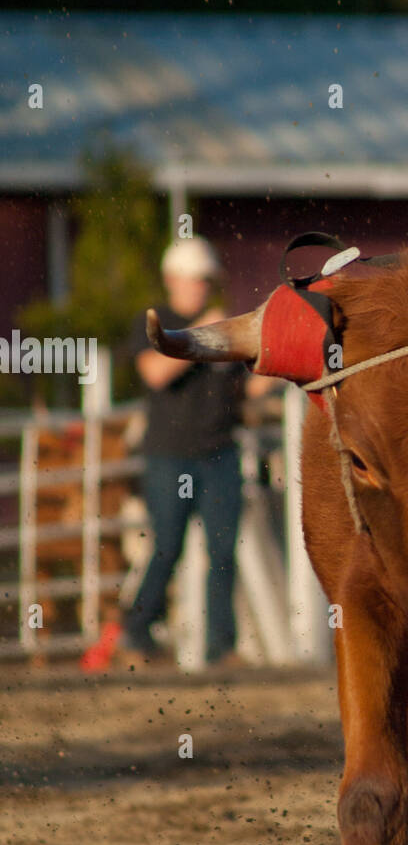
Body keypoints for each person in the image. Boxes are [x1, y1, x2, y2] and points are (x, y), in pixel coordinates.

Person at [121, 236, 268, 668]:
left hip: (220, 452)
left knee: (223, 551)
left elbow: (247, 392)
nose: (201, 287)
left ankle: (221, 648)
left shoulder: (222, 326)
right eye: (195, 279)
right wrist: (206, 331)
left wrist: (285, 368)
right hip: (170, 455)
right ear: (173, 280)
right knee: (168, 545)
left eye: (206, 280)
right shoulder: (155, 320)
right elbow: (155, 373)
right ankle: (137, 633)